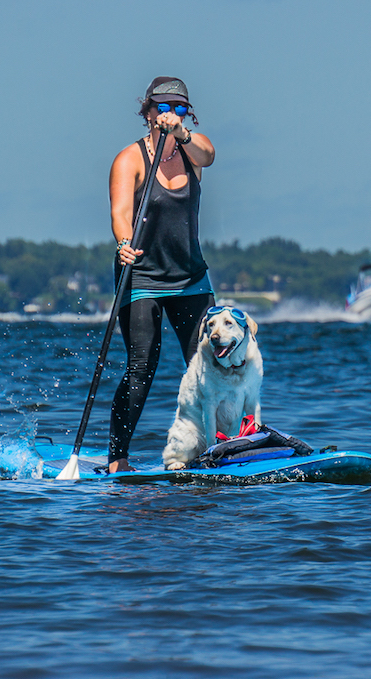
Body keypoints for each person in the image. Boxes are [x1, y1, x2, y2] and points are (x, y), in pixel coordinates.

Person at [107, 76, 216, 473]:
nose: (170, 114)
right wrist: (123, 243)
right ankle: (118, 457)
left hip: (190, 278)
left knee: (208, 368)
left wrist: (182, 133)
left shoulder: (193, 150)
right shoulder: (130, 159)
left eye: (179, 107)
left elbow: (209, 154)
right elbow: (121, 214)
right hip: (143, 279)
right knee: (141, 368)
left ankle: (218, 450)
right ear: (148, 112)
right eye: (163, 107)